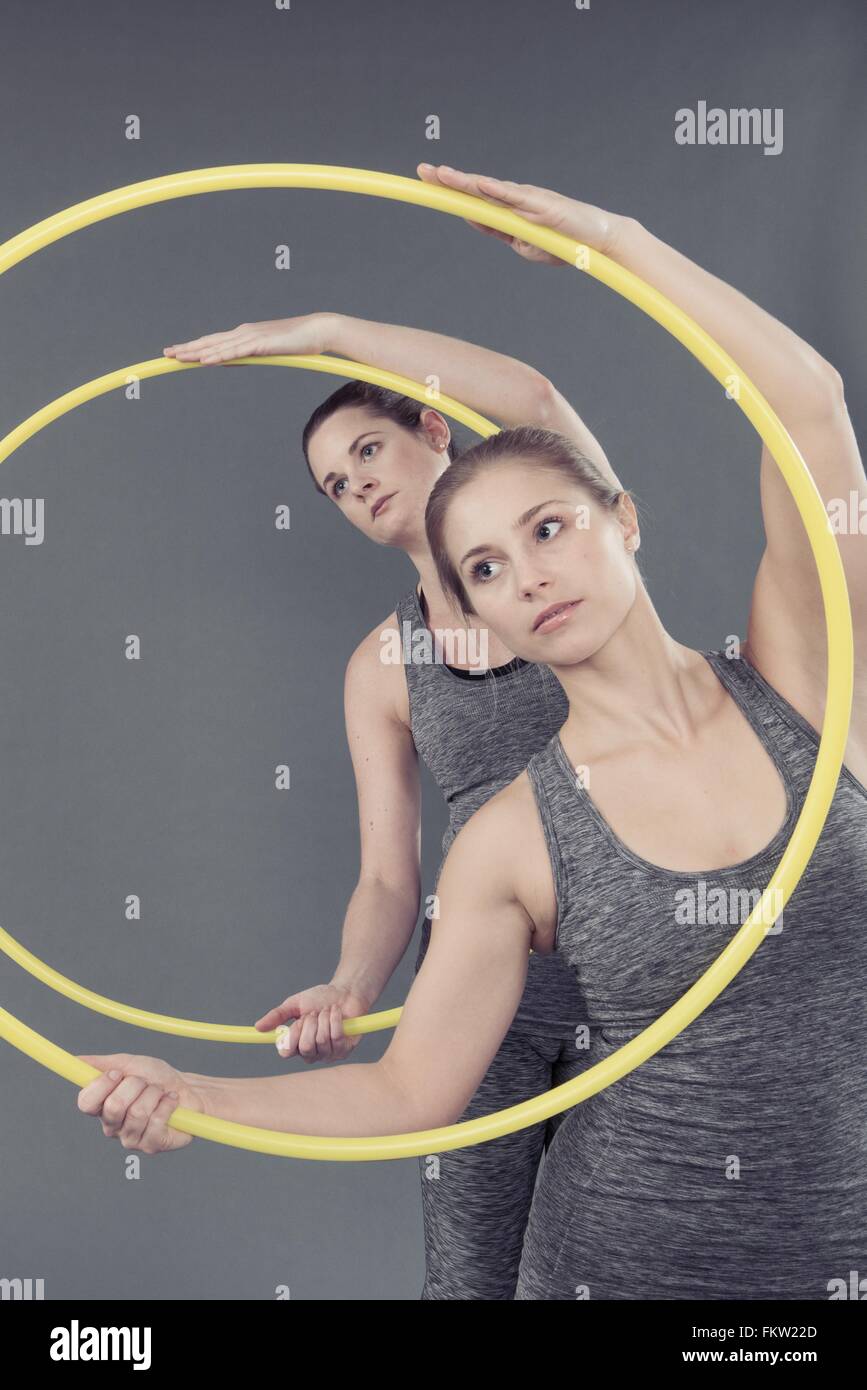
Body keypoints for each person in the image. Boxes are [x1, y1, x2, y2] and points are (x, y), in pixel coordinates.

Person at [76, 167, 866, 1299]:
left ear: (622, 517)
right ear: (472, 605)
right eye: (487, 568)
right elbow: (406, 1091)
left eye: (550, 528)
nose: (528, 576)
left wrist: (614, 234)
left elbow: (811, 403)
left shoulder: (807, 681)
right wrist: (194, 1093)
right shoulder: (510, 838)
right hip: (615, 1265)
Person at [157, 164, 627, 1299]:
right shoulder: (379, 664)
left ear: (429, 426)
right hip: (479, 993)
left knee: (620, 1271)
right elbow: (384, 875)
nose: (354, 484)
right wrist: (350, 988)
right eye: (331, 483)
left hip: (640, 973)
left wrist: (323, 330)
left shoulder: (573, 558)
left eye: (367, 449)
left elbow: (534, 397)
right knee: (470, 1279)